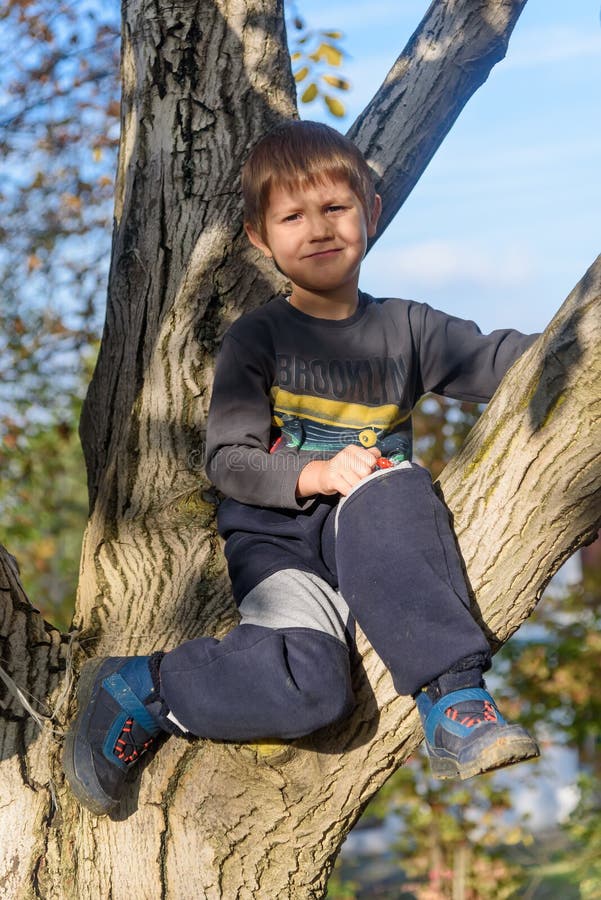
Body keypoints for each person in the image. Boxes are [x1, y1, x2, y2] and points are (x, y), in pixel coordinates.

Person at [63, 121, 539, 816]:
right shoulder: (258, 337)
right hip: (280, 545)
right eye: (292, 216)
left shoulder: (408, 327)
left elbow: (506, 362)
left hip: (377, 538)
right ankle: (145, 689)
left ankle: (455, 699)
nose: (317, 228)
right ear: (260, 237)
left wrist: (573, 341)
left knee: (392, 480)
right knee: (309, 693)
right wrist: (312, 474)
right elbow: (229, 459)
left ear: (370, 212)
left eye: (336, 208)